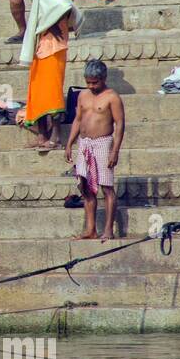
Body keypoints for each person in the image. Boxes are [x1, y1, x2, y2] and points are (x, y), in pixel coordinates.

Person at [18, 0, 77, 152]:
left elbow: (65, 5)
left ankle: (56, 136)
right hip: (42, 48)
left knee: (51, 93)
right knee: (37, 92)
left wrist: (53, 24)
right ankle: (42, 135)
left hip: (53, 49)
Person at [63, 59, 125, 240]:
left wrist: (115, 150)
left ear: (103, 78)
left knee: (106, 188)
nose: (91, 85)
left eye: (94, 82)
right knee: (85, 188)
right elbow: (77, 120)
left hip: (103, 143)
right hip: (84, 144)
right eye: (88, 82)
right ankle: (91, 230)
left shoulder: (112, 97)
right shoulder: (82, 95)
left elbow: (120, 124)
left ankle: (108, 230)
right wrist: (69, 143)